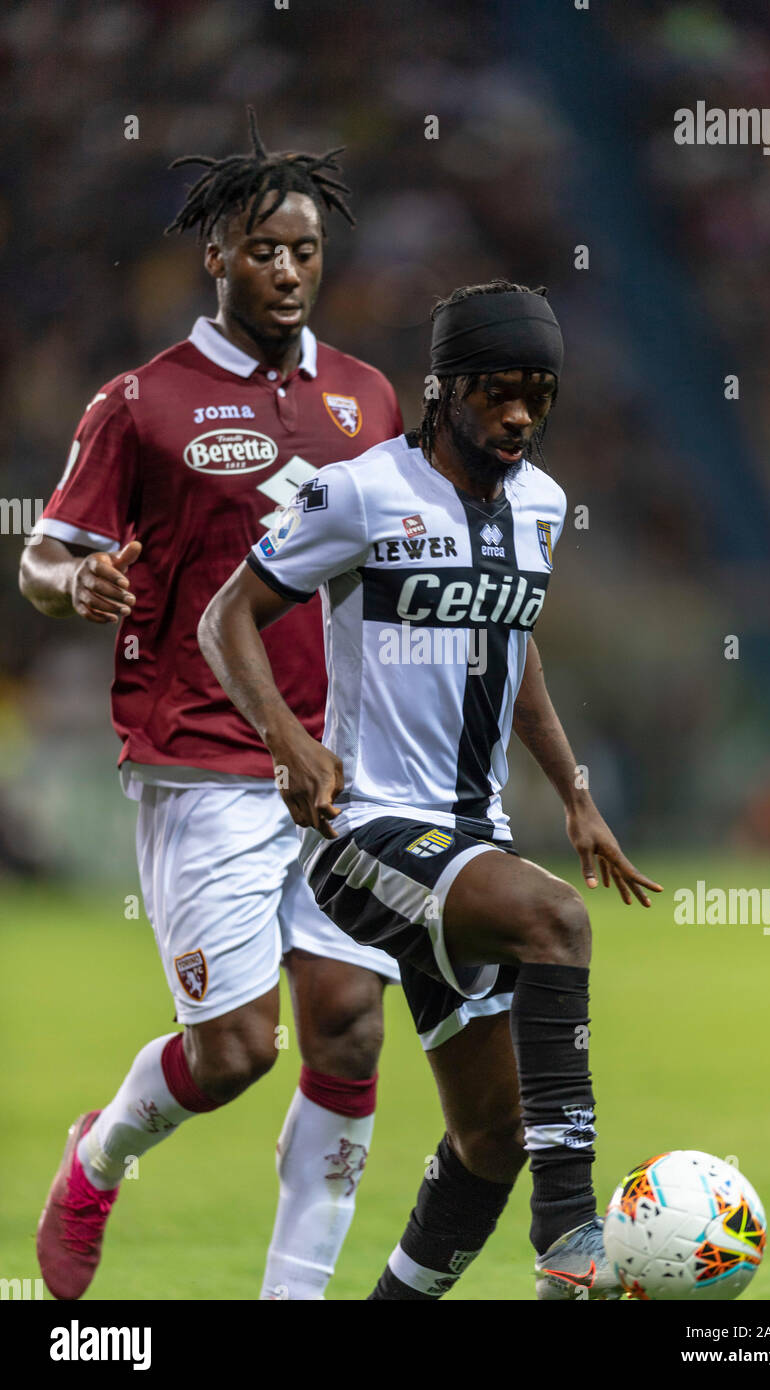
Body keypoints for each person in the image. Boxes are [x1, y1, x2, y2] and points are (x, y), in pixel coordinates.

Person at [199, 279, 663, 1300]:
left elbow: (512, 648)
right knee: (554, 920)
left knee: (489, 1136)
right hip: (364, 836)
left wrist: (575, 791)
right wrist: (286, 740)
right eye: (498, 392)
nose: (518, 415)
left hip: (468, 841)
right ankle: (570, 1229)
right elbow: (225, 616)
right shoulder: (357, 490)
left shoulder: (539, 505)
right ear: (443, 389)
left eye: (537, 395)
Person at [19, 110, 403, 1302]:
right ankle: (100, 1157)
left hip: (345, 770)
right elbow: (40, 555)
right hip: (203, 759)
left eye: (303, 250)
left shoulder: (367, 400)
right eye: (261, 249)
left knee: (346, 1033)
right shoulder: (142, 402)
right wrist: (72, 580)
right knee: (236, 1051)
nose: (285, 270)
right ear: (216, 258)